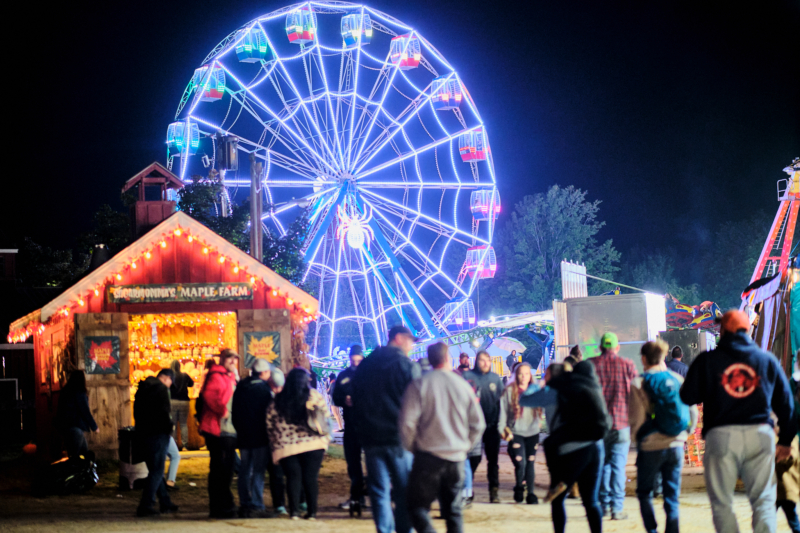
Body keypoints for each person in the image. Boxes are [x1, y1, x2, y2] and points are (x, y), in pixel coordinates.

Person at [680, 310, 797, 533]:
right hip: (760, 435)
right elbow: (786, 405)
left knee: (722, 502)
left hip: (721, 436)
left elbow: (687, 396)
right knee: (763, 500)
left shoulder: (708, 360)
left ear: (724, 330)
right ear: (747, 330)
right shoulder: (766, 360)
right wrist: (785, 441)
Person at [400, 342, 485, 533]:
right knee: (453, 510)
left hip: (428, 455)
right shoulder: (462, 385)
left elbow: (407, 423)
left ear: (429, 359)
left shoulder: (419, 384)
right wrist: (465, 447)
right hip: (456, 457)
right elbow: (478, 424)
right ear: (448, 358)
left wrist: (413, 447)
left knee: (417, 507)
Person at [520, 360, 610, 533]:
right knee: (591, 501)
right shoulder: (589, 387)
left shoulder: (552, 390)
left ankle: (562, 484)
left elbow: (524, 400)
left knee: (558, 499)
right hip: (595, 446)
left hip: (569, 449)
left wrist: (535, 385)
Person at [352, 325, 421, 533]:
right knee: (404, 490)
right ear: (399, 338)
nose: (411, 346)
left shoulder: (366, 365)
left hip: (372, 437)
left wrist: (362, 429)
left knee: (379, 490)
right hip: (399, 438)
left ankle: (385, 530)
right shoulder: (405, 365)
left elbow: (355, 399)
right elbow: (417, 401)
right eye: (410, 341)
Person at [629, 340, 698, 533]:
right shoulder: (678, 379)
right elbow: (692, 412)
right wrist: (684, 435)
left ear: (643, 359)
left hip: (650, 446)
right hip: (676, 445)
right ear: (662, 357)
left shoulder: (638, 382)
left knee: (644, 493)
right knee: (672, 496)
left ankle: (652, 529)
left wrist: (638, 440)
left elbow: (636, 419)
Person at [267, 368, 329, 520]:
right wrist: (326, 440)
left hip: (288, 446)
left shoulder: (278, 399)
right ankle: (312, 512)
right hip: (313, 444)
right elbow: (325, 418)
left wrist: (275, 443)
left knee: (293, 478)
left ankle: (294, 511)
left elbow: (270, 423)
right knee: (310, 478)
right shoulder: (314, 396)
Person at [590, 331, 638, 520]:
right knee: (618, 466)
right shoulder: (627, 365)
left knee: (602, 466)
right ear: (617, 347)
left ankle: (603, 507)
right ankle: (617, 508)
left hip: (598, 426)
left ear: (600, 347)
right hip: (621, 424)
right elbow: (635, 392)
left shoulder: (591, 365)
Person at [198, 349, 239, 519]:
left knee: (223, 468)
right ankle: (221, 506)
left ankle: (222, 505)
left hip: (223, 428)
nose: (233, 362)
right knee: (221, 469)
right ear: (223, 360)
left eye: (235, 359)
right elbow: (209, 396)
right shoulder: (217, 375)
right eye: (229, 359)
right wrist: (222, 410)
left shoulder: (227, 375)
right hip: (217, 428)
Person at [232, 358, 273, 518]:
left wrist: (239, 430)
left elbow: (234, 411)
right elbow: (268, 413)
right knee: (258, 471)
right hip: (259, 437)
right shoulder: (263, 389)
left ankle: (245, 503)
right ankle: (257, 504)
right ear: (263, 372)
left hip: (243, 436)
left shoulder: (241, 386)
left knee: (244, 470)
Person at [135, 368, 178, 517]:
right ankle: (146, 505)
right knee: (157, 470)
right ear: (166, 378)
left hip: (143, 433)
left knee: (154, 470)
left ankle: (165, 502)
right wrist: (168, 428)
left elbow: (137, 412)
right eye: (171, 381)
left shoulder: (142, 388)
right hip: (158, 433)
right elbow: (165, 412)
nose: (170, 385)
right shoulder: (161, 389)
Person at [463, 350, 504, 503]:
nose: (485, 363)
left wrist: (502, 423)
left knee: (493, 461)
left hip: (492, 426)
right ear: (476, 361)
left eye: (488, 360)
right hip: (473, 428)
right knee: (473, 459)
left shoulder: (495, 379)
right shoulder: (467, 377)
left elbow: (502, 402)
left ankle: (494, 491)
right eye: (482, 360)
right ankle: (467, 488)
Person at [498, 362, 541, 504]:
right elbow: (503, 411)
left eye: (527, 374)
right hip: (516, 431)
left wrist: (540, 421)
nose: (523, 377)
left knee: (530, 462)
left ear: (530, 376)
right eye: (521, 374)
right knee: (520, 462)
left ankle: (531, 493)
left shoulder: (535, 390)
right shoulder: (509, 391)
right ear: (516, 375)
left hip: (532, 431)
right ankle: (519, 486)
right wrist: (502, 428)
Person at [332, 344, 367, 515]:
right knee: (353, 463)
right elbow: (335, 396)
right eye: (353, 361)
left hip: (368, 425)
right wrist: (343, 399)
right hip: (351, 426)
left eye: (358, 361)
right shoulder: (343, 375)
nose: (356, 363)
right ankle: (357, 497)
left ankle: (374, 496)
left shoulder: (371, 374)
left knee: (373, 463)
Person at [55, 370, 99, 459]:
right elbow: (85, 411)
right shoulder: (79, 392)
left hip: (66, 427)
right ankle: (78, 470)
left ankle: (85, 470)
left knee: (82, 452)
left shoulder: (65, 391)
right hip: (76, 427)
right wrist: (94, 427)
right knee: (77, 455)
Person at [267, 368, 288, 516]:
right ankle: (293, 503)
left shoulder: (268, 398)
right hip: (285, 442)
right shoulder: (287, 398)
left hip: (275, 442)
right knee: (286, 474)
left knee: (277, 474)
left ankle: (280, 503)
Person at [169, 360, 194, 451]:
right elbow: (192, 384)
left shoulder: (170, 376)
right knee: (183, 424)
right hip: (184, 401)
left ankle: (174, 445)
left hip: (173, 401)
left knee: (173, 424)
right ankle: (184, 446)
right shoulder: (185, 375)